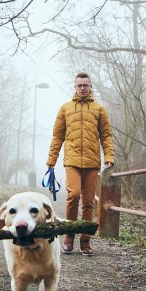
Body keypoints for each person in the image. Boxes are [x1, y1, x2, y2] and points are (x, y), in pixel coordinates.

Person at [46, 72, 114, 255]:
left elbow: (106, 135)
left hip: (92, 162)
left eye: (86, 85)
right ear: (75, 87)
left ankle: (85, 241)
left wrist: (109, 156)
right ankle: (69, 236)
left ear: (90, 87)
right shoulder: (65, 108)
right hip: (72, 161)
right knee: (74, 194)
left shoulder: (99, 109)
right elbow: (58, 136)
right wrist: (51, 160)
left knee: (89, 202)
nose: (83, 88)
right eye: (79, 85)